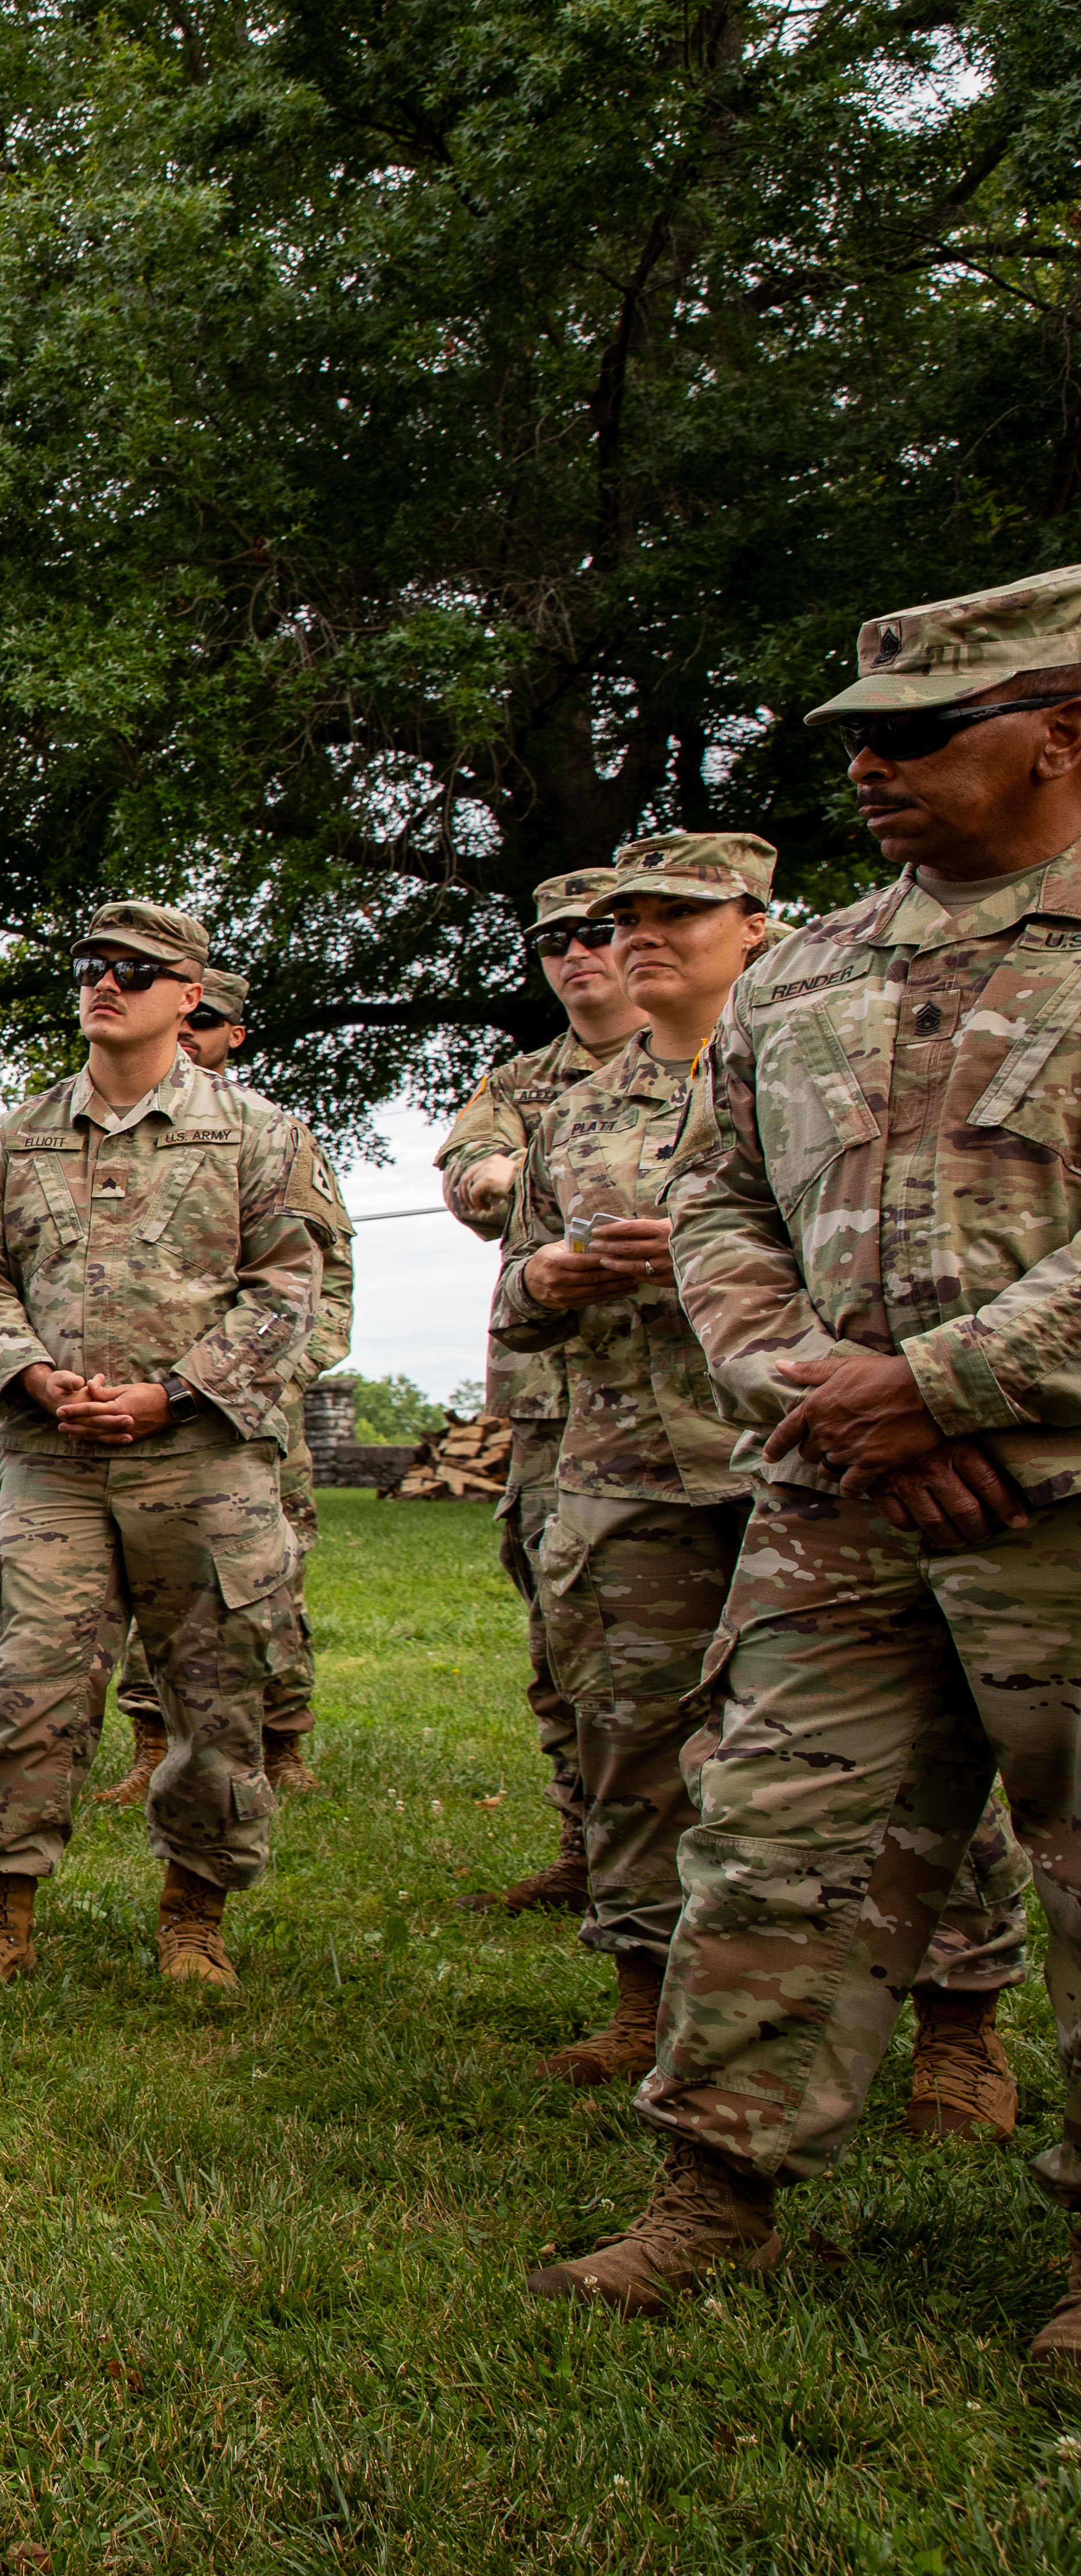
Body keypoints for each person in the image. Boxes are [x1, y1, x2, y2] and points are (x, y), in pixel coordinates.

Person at [532, 565, 1081, 2368]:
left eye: (920, 734)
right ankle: (715, 2189)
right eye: (859, 738)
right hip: (836, 1499)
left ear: (1059, 734)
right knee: (771, 1844)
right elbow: (715, 1201)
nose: (869, 768)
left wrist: (939, 1386)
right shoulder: (817, 968)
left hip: (1057, 1491)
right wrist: (821, 1392)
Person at [492, 839, 1034, 2096]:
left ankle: (960, 2027)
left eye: (676, 914)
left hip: (817, 1458)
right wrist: (553, 1277)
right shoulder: (577, 1111)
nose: (638, 938)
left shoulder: (833, 1067)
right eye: (622, 918)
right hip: (632, 1470)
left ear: (756, 923)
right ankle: (645, 1996)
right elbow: (513, 1303)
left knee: (902, 1752)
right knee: (633, 1743)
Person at [0, 903, 321, 1998]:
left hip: (200, 1460)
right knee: (25, 1683)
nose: (107, 983)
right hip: (55, 1458)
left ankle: (195, 1916)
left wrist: (173, 1394)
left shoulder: (260, 1135)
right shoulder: (16, 1137)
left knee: (216, 1695)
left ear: (190, 995)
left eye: (137, 972)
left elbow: (288, 1291)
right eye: (94, 965)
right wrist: (32, 1376)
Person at [89, 966, 352, 1799]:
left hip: (253, 1414)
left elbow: (324, 1295)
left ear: (231, 1033)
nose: (190, 1036)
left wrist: (258, 1382)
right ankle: (150, 1742)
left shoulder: (271, 1139)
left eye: (205, 1024)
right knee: (146, 1573)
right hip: (128, 1413)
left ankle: (280, 1742)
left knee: (265, 1582)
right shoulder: (106, 1137)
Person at [438, 870, 647, 1916]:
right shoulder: (524, 1084)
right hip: (558, 1398)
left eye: (598, 931)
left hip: (723, 1392)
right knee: (566, 1626)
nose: (577, 954)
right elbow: (474, 1180)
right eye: (554, 940)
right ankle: (589, 1844)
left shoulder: (738, 1053)